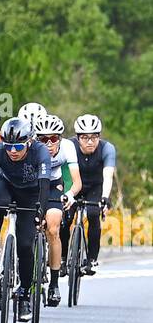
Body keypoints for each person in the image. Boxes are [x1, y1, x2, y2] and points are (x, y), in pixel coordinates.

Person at [0, 116, 56, 320]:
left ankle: (24, 294)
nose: (13, 151)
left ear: (29, 141)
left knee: (25, 245)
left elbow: (44, 185)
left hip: (31, 193)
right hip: (5, 185)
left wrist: (40, 211)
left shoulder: (40, 151)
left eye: (18, 146)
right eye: (9, 146)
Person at [36, 113, 79, 304]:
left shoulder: (68, 147)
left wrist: (69, 195)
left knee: (53, 228)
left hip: (54, 185)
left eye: (53, 139)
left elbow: (77, 181)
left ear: (60, 139)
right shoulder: (31, 147)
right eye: (43, 139)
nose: (48, 143)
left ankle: (54, 284)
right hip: (32, 186)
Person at [66, 113, 116, 275]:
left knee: (94, 214)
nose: (90, 142)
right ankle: (61, 258)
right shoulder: (69, 146)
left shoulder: (107, 149)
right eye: (85, 137)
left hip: (96, 187)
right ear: (77, 137)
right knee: (65, 217)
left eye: (94, 137)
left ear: (99, 137)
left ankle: (92, 259)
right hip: (75, 185)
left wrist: (105, 198)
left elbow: (108, 175)